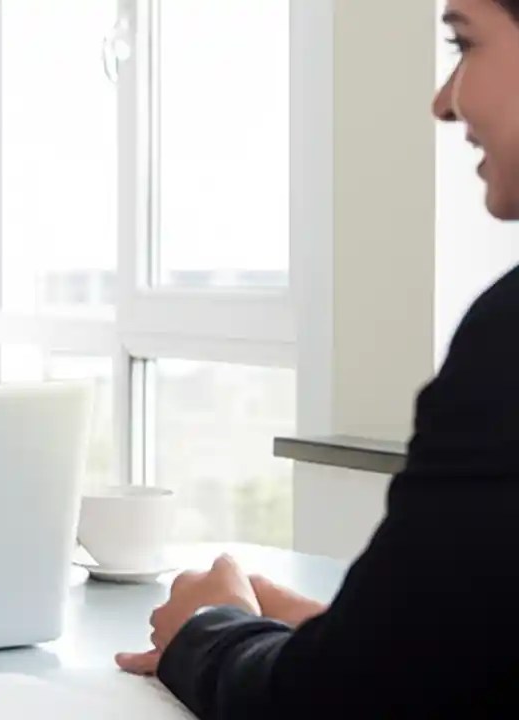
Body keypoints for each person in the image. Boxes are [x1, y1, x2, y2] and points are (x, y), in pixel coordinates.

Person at [114, 0, 519, 716]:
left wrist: (205, 631)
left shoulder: (507, 340)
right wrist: (330, 632)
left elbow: (327, 704)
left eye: (465, 44)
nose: (444, 101)